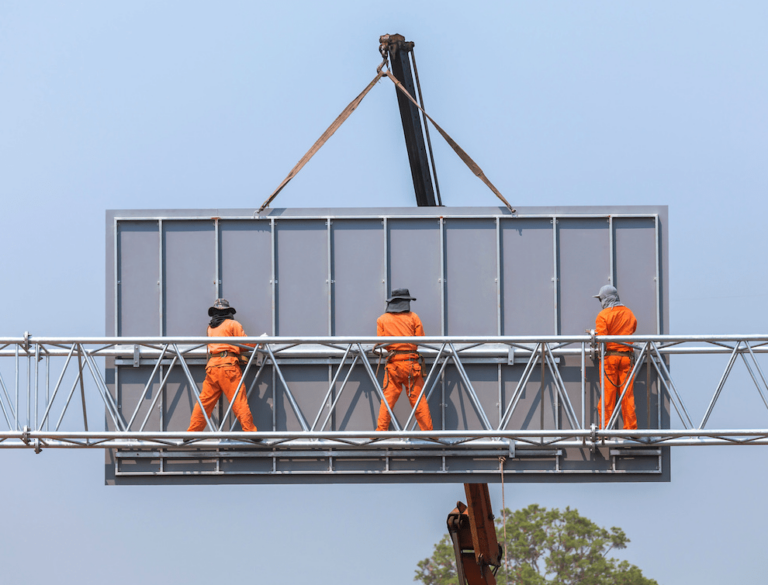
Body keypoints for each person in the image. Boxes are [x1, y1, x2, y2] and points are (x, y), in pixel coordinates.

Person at [187, 298, 258, 433]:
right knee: (238, 401)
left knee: (204, 402)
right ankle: (250, 431)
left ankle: (193, 431)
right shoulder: (233, 324)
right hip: (228, 367)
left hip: (212, 368)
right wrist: (260, 343)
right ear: (228, 312)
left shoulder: (210, 328)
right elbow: (245, 344)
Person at [375, 288, 434, 432]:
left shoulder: (382, 319)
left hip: (393, 366)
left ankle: (380, 431)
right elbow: (420, 339)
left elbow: (380, 343)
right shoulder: (413, 317)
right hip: (411, 365)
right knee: (419, 401)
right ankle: (429, 433)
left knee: (387, 401)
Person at [594, 285, 638, 430]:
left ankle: (606, 428)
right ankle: (631, 428)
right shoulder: (629, 313)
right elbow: (632, 328)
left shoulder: (603, 316)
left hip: (609, 359)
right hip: (627, 359)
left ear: (606, 299)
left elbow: (601, 338)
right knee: (627, 395)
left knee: (608, 395)